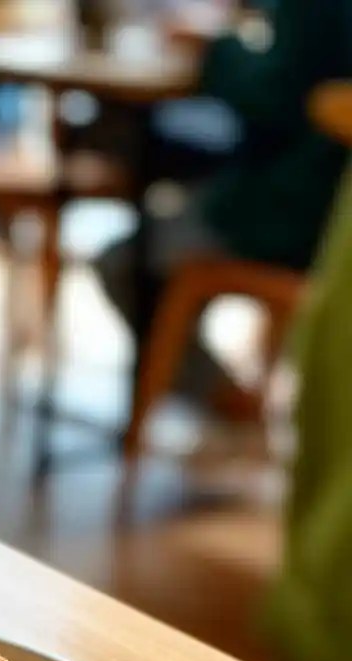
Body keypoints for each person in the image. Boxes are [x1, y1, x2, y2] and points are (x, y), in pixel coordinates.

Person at [93, 0, 352, 420]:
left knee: (124, 261)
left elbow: (275, 94)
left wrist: (217, 49)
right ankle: (231, 399)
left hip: (289, 215)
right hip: (324, 215)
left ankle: (229, 404)